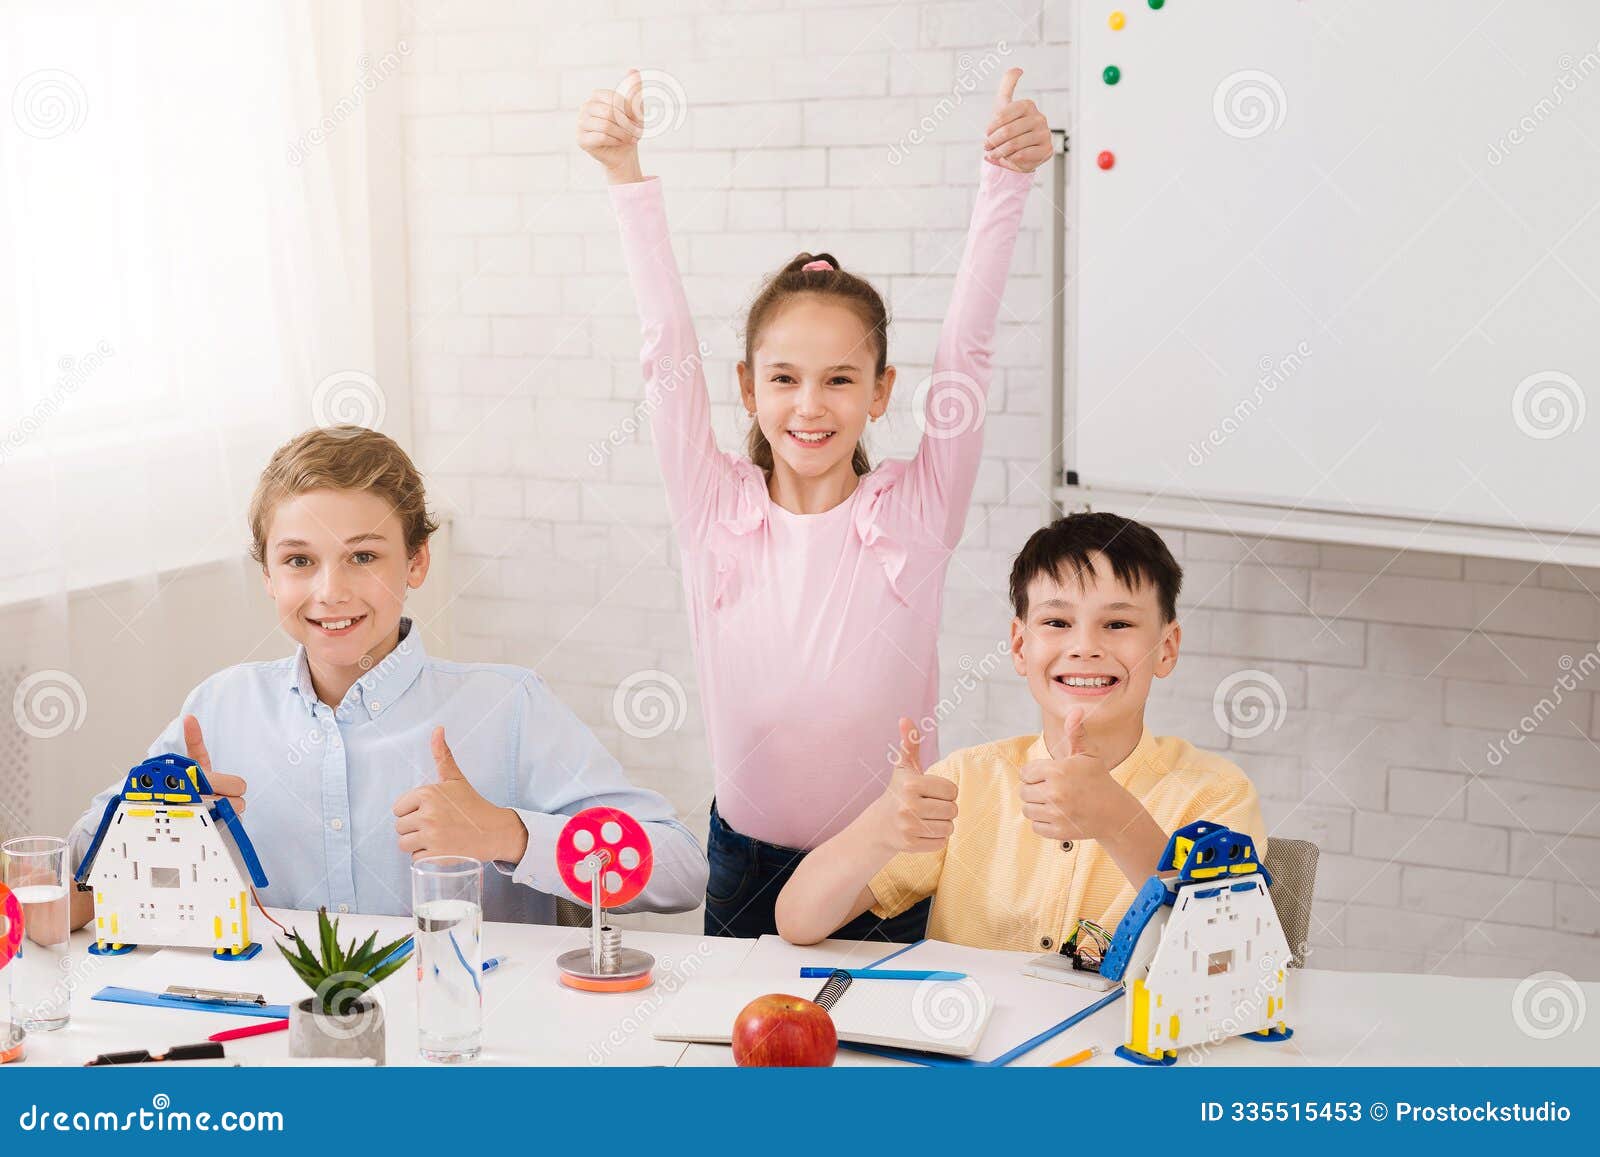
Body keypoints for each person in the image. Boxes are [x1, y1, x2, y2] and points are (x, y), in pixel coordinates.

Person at [578, 66, 1050, 939]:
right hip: (744, 863)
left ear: (881, 392)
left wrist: (1006, 181)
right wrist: (624, 173)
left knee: (877, 1070)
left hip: (884, 865)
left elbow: (969, 350)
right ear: (747, 390)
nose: (810, 404)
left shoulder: (917, 511)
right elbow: (664, 346)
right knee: (740, 1068)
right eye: (785, 379)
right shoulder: (714, 506)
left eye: (840, 379)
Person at [68, 426, 707, 928]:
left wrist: (508, 833)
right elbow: (72, 878)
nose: (330, 591)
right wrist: (151, 826)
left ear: (417, 562)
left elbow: (679, 869)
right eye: (298, 560)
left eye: (363, 556)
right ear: (268, 574)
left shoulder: (506, 706)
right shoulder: (220, 708)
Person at [775, 512, 1266, 952]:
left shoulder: (1215, 795)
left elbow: (1224, 952)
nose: (1084, 646)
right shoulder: (969, 781)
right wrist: (879, 828)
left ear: (1166, 647)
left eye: (1117, 624)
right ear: (1018, 645)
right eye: (1056, 621)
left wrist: (1118, 821)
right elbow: (798, 921)